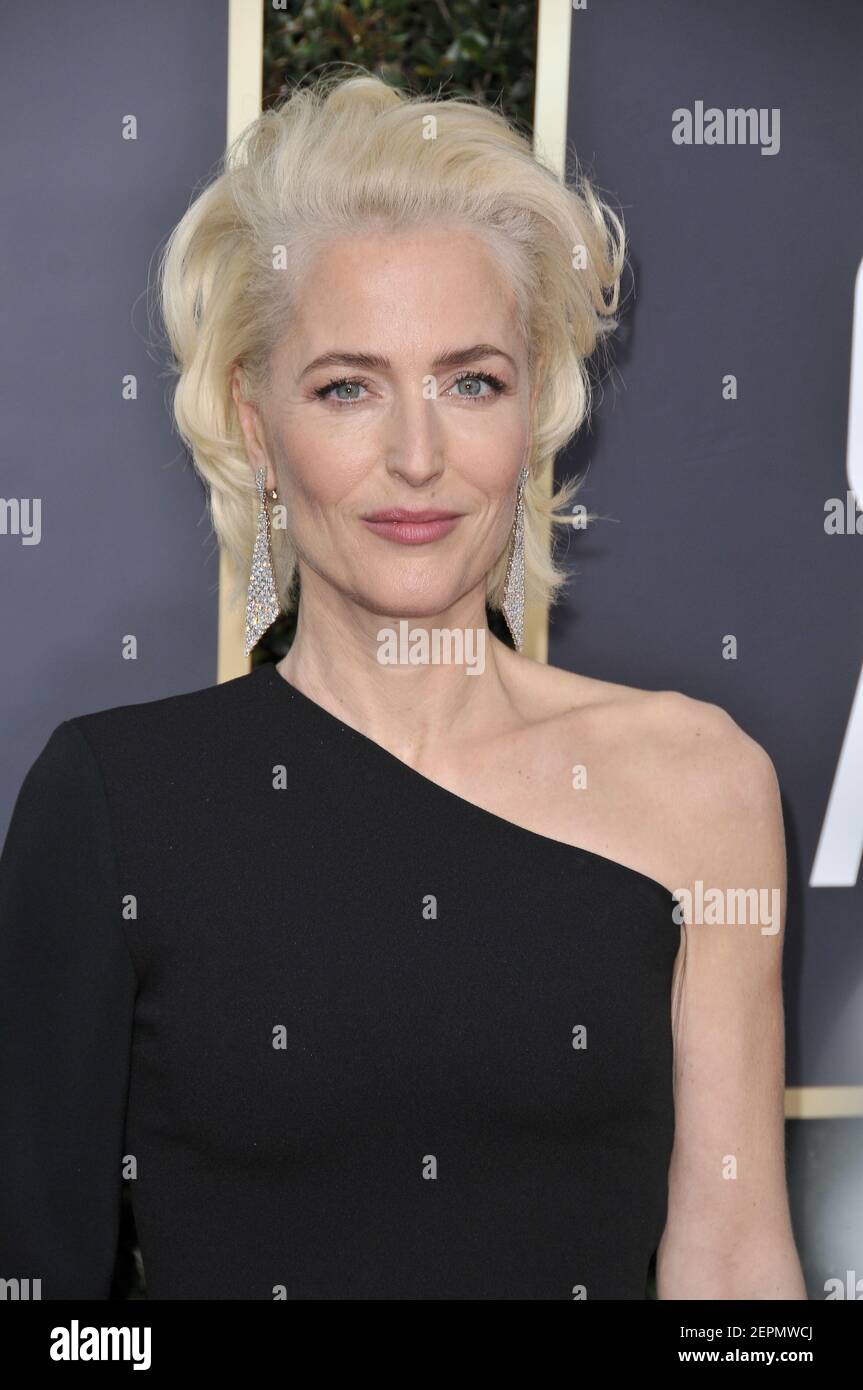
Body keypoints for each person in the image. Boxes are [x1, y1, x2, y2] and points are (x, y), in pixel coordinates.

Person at [0, 70, 806, 1300]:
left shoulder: (699, 784)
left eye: (470, 380)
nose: (417, 456)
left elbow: (734, 1270)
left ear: (531, 407)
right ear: (257, 430)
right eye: (347, 386)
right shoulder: (116, 802)